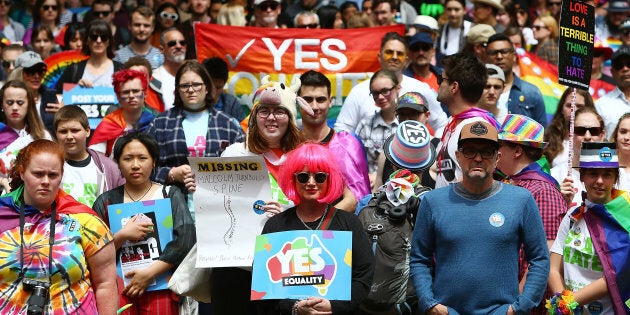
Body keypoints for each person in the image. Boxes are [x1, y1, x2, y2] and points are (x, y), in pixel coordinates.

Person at [410, 120, 550, 314]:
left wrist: (521, 306)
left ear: (497, 157)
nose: (477, 158)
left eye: (486, 152)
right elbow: (418, 258)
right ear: (458, 156)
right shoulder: (433, 202)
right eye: (469, 151)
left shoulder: (521, 200)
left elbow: (540, 258)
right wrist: (430, 303)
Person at [215, 76, 312, 314]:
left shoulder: (304, 157)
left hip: (285, 265)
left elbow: (319, 207)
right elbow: (217, 207)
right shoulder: (234, 153)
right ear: (254, 116)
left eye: (279, 111)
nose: (270, 117)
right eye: (264, 111)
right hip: (236, 268)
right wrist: (204, 190)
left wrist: (288, 216)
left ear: (290, 118)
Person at [0, 139, 118, 314]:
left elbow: (106, 283)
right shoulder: (3, 214)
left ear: (62, 175)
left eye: (53, 175)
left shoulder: (84, 220)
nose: (46, 181)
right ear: (23, 173)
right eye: (38, 174)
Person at [256, 142, 374, 315]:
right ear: (293, 179)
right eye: (303, 177)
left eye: (319, 177)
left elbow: (364, 275)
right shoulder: (275, 226)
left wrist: (335, 307)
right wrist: (294, 308)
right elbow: (262, 283)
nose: (311, 183)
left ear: (329, 179)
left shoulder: (350, 223)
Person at [92, 132, 196, 315]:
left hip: (161, 288)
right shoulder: (106, 201)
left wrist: (149, 274)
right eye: (128, 158)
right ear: (117, 163)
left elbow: (186, 240)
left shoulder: (169, 194)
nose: (135, 165)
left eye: (142, 158)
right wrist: (121, 236)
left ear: (154, 161)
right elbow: (93, 249)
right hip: (118, 290)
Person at [549, 141, 630, 314]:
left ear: (615, 178)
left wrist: (568, 302)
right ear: (582, 176)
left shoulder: (626, 218)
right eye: (593, 174)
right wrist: (563, 302)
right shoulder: (572, 216)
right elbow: (553, 268)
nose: (599, 181)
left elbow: (616, 276)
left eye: (607, 174)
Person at [496, 114, 566, 315]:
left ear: (517, 151)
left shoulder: (543, 192)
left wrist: (517, 303)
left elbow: (545, 256)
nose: (496, 151)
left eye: (500, 145)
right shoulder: (510, 183)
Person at [149, 60, 245, 200]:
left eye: (196, 84)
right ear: (177, 90)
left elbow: (246, 169)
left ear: (207, 87)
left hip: (218, 207)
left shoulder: (229, 124)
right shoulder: (160, 124)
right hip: (172, 206)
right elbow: (143, 168)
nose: (191, 89)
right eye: (184, 85)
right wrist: (172, 174)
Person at [335, 32, 446, 136]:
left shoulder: (421, 89)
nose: (394, 57)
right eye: (389, 52)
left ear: (406, 60)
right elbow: (342, 130)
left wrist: (434, 148)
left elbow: (442, 124)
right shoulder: (359, 91)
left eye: (399, 53)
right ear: (379, 56)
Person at [298, 70, 370, 203]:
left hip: (338, 222)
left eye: (320, 100)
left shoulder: (347, 144)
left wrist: (322, 223)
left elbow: (358, 198)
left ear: (330, 101)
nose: (314, 106)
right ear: (297, 101)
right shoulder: (288, 143)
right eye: (307, 100)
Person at [433, 52, 499, 188]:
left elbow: (478, 188)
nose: (438, 85)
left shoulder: (476, 128)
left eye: (441, 79)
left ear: (454, 87)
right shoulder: (453, 123)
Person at [54, 105, 124, 207]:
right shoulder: (49, 167)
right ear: (56, 133)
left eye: (75, 130)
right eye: (63, 131)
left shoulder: (109, 168)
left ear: (87, 131)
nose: (69, 136)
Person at [89, 69, 158, 156]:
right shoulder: (109, 123)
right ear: (118, 96)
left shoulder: (156, 121)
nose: (131, 96)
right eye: (125, 92)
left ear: (145, 93)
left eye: (136, 91)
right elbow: (97, 160)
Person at [485, 33, 547, 126]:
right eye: (494, 53)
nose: (499, 56)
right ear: (486, 57)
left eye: (504, 51)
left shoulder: (532, 92)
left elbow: (542, 132)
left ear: (514, 56)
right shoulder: (476, 91)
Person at [553, 107, 607, 209]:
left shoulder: (617, 177)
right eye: (580, 130)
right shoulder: (554, 176)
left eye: (594, 131)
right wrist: (560, 202)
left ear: (602, 135)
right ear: (570, 135)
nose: (587, 136)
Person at [0, 80, 51, 186]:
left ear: (29, 104)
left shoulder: (42, 136)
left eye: (20, 102)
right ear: (2, 104)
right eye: (10, 102)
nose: (14, 107)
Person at [355, 69, 400, 189]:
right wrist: (368, 176)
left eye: (385, 91)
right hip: (371, 189)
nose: (380, 97)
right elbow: (355, 163)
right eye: (375, 93)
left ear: (398, 88)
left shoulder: (406, 124)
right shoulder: (365, 125)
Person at [56, 19, 124, 93]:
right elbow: (58, 96)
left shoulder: (121, 70)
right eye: (94, 37)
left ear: (109, 41)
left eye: (103, 37)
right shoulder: (73, 70)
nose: (98, 41)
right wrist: (75, 89)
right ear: (87, 41)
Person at [8, 51, 60, 134]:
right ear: (18, 73)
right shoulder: (6, 98)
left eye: (40, 71)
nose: (37, 76)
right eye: (31, 71)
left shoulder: (50, 96)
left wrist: (62, 114)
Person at [544, 88, 595, 169]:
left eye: (579, 106)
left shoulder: (596, 138)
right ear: (562, 109)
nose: (573, 110)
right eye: (569, 105)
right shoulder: (548, 138)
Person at [595, 46, 630, 135]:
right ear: (612, 72)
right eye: (619, 65)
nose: (625, 69)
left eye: (629, 64)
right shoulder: (601, 106)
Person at [153, 27, 186, 112]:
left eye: (182, 43)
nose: (179, 46)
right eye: (172, 43)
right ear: (161, 49)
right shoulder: (153, 79)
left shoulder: (197, 74)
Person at [202, 57, 246, 121]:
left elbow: (243, 128)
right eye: (209, 87)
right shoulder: (192, 102)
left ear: (224, 84)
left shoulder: (232, 104)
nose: (213, 92)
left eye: (218, 88)